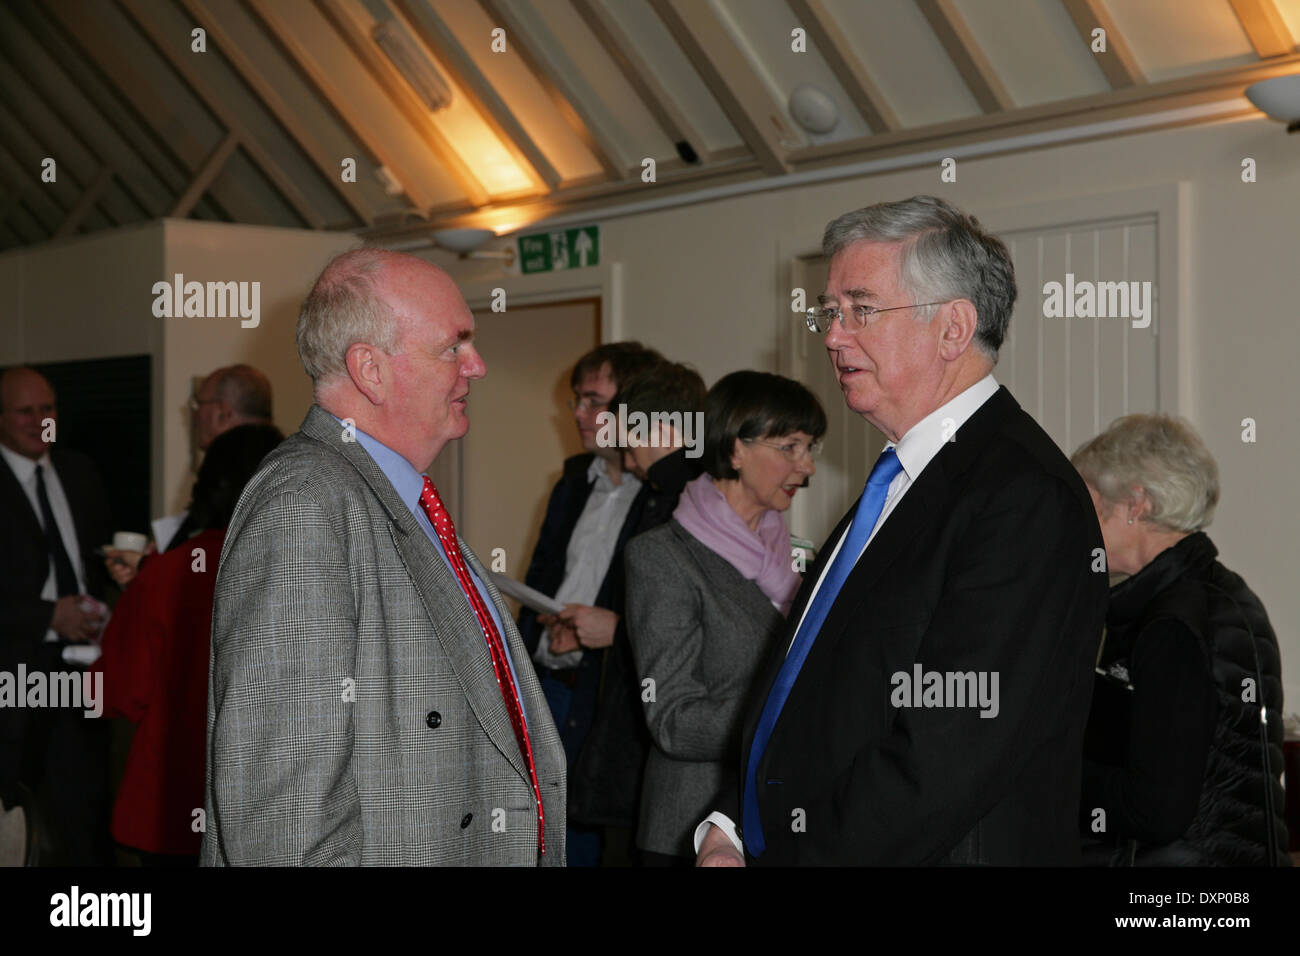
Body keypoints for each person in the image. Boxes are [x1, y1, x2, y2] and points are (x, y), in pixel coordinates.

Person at [696, 195, 1108, 866]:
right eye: (831, 312)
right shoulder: (900, 479)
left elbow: (947, 752)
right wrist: (733, 823)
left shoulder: (1022, 497)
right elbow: (810, 689)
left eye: (860, 309)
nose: (831, 334)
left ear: (952, 329)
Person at [201, 249, 565, 866]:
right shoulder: (306, 502)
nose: (476, 366)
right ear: (370, 370)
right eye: (453, 346)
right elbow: (283, 821)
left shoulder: (389, 495)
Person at [626, 371, 825, 864]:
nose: (808, 466)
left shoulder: (803, 559)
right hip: (688, 831)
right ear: (736, 450)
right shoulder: (661, 556)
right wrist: (787, 720)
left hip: (779, 823)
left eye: (811, 447)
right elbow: (671, 718)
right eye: (791, 447)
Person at [1072, 414, 1289, 865]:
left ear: (1136, 503)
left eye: (1088, 504)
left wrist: (1047, 770)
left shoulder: (1171, 622)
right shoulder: (1229, 597)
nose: (1076, 524)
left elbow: (1157, 811)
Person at [93, 423, 283, 866]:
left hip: (172, 805)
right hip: (271, 804)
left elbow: (117, 692)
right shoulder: (305, 568)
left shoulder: (166, 574)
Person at [515, 342, 662, 865]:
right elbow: (543, 575)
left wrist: (613, 629)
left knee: (594, 839)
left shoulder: (665, 494)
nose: (578, 413)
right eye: (577, 399)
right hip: (550, 683)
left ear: (635, 407)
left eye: (593, 400)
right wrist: (543, 625)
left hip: (609, 700)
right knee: (539, 834)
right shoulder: (574, 480)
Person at [563, 360, 707, 858]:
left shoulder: (694, 497)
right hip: (630, 733)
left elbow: (708, 627)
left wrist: (618, 630)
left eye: (630, 441)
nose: (626, 457)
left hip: (660, 742)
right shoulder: (657, 493)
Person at [0, 365, 114, 865]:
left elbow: (95, 561)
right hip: (14, 672)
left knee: (85, 810)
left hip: (84, 669)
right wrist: (49, 615)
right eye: (25, 411)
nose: (40, 420)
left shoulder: (79, 471)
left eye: (48, 409)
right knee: (14, 811)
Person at [103, 364, 275, 586]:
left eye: (197, 404)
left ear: (222, 412)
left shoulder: (229, 468)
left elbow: (208, 560)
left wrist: (149, 566)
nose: (194, 414)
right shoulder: (288, 458)